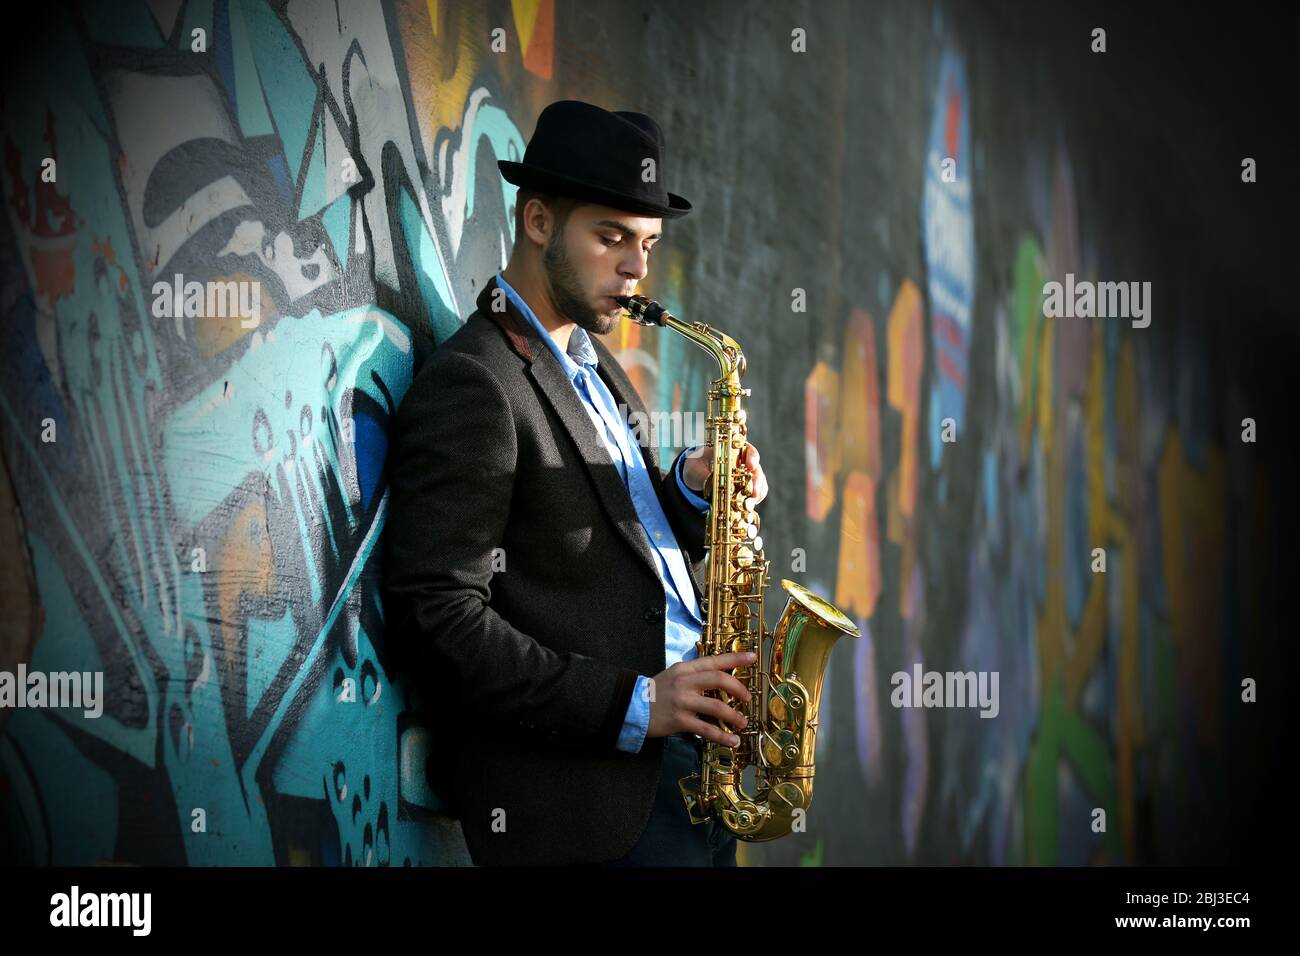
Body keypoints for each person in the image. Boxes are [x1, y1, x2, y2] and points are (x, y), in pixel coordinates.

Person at [384, 100, 767, 866]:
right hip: (590, 806)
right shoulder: (475, 383)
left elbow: (599, 543)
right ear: (537, 220)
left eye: (649, 244)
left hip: (686, 768)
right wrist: (636, 705)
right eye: (611, 236)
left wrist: (694, 490)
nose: (636, 266)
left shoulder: (597, 369)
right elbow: (437, 613)